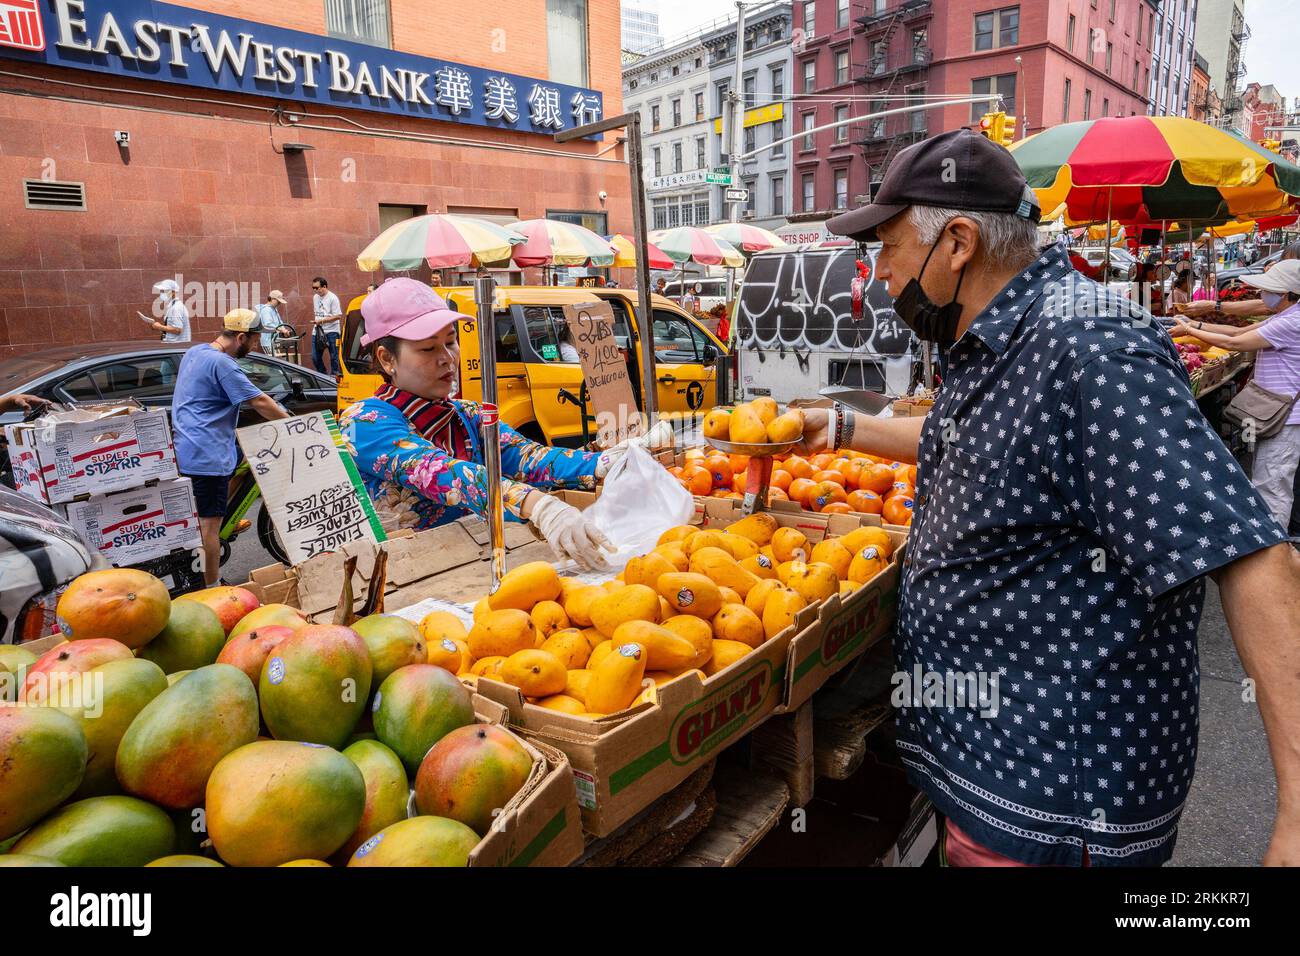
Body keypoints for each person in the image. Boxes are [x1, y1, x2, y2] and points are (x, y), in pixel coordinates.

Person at [805, 128, 1300, 867]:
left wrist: (1295, 819)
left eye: (887, 247)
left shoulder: (1086, 344)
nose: (880, 274)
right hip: (989, 761)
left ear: (958, 243)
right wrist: (838, 425)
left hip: (1054, 789)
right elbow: (964, 442)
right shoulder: (1000, 335)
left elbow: (1252, 557)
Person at [340, 279, 672, 569]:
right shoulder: (365, 422)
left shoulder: (466, 414)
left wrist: (609, 459)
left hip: (474, 562)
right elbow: (438, 470)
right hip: (409, 576)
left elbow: (530, 457)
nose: (447, 357)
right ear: (387, 359)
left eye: (451, 341)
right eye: (428, 348)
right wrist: (537, 505)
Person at [1171, 260, 1300, 528]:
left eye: (1269, 290)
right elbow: (1238, 330)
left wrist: (1189, 329)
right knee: (1269, 476)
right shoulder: (1287, 315)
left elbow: (1234, 342)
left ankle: (1273, 552)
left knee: (1273, 484)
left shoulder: (1292, 322)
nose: (1262, 296)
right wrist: (1194, 326)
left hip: (1285, 416)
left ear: (1287, 294)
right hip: (1276, 412)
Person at [173, 309, 290, 585]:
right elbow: (259, 402)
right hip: (206, 454)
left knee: (238, 457)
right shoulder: (223, 364)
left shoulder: (196, 352)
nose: (255, 346)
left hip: (191, 444)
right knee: (208, 528)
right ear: (240, 337)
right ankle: (212, 587)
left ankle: (225, 514)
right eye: (254, 340)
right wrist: (293, 424)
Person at [311, 277, 343, 377]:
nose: (315, 290)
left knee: (334, 356)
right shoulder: (315, 297)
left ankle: (334, 377)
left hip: (332, 331)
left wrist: (322, 320)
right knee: (315, 357)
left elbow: (338, 316)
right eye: (313, 288)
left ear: (324, 286)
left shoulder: (333, 298)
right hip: (318, 330)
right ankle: (323, 376)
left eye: (317, 288)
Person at [255, 290, 289, 355]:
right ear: (271, 299)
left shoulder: (274, 309)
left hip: (274, 339)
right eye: (278, 301)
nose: (279, 303)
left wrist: (284, 329)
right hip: (268, 341)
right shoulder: (266, 310)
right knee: (274, 359)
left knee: (277, 359)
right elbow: (268, 324)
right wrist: (282, 330)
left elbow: (280, 322)